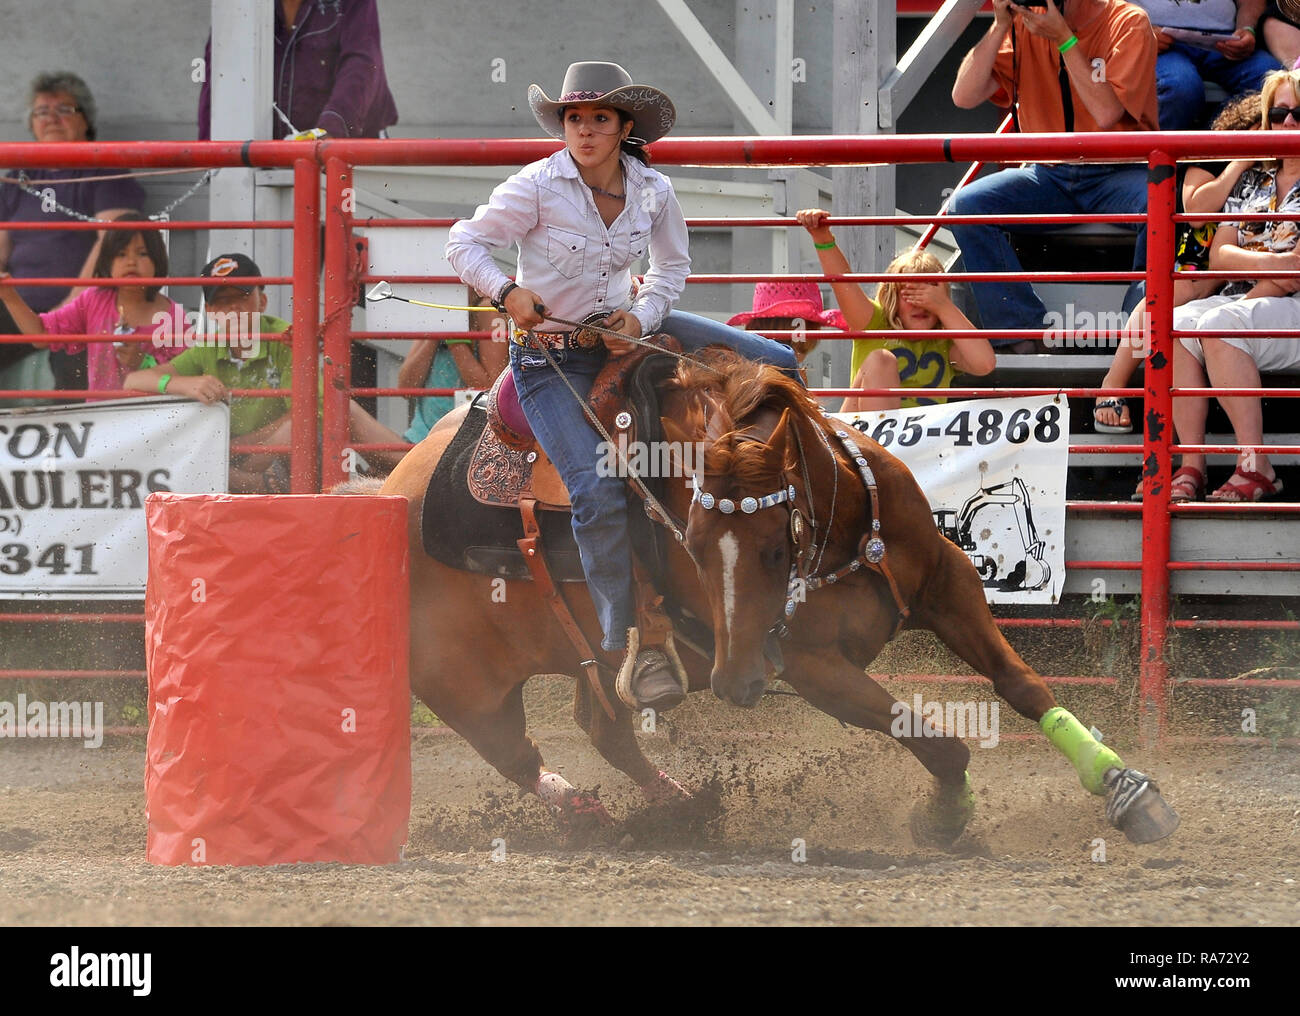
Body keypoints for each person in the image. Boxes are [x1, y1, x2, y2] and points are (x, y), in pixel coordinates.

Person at [445, 61, 798, 712]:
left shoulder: (653, 190)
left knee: (780, 364)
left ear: (623, 127)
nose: (583, 129)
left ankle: (791, 569)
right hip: (550, 357)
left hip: (630, 333)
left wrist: (639, 316)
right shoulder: (536, 187)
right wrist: (507, 290)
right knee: (596, 489)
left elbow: (671, 268)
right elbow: (464, 242)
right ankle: (624, 636)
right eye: (573, 118)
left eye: (598, 118)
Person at [949, 0, 1160, 342]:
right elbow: (963, 95)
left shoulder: (1129, 21)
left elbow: (1106, 113)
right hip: (1049, 175)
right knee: (967, 206)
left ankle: (1136, 336)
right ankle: (1021, 333)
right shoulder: (1024, 26)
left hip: (1118, 170)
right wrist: (1001, 24)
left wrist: (1064, 39)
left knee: (1160, 203)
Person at [122, 253, 406, 492]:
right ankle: (410, 465)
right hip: (235, 461)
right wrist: (185, 384)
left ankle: (413, 465)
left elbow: (310, 411)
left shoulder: (283, 338)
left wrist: (244, 444)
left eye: (242, 296)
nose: (233, 307)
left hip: (274, 453)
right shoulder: (209, 348)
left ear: (262, 302)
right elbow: (134, 380)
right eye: (222, 301)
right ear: (209, 311)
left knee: (335, 411)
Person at [1095, 92, 1264, 436]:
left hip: (1258, 260)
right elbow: (1199, 214)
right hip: (1203, 261)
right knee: (1173, 292)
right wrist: (1241, 162)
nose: (1279, 128)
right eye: (1269, 119)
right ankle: (1113, 384)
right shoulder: (1212, 156)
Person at [1167, 69, 1300, 502]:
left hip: (1291, 307)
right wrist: (1271, 266)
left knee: (1219, 322)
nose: (1288, 124)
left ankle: (1255, 463)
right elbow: (1220, 255)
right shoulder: (1252, 178)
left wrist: (1256, 283)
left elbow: (1293, 278)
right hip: (1249, 301)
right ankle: (1192, 464)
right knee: (1175, 322)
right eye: (1278, 114)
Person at [0, 71, 145, 392]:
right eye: (41, 111)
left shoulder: (105, 169)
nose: (51, 118)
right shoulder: (17, 177)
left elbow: (113, 239)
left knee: (76, 368)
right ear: (31, 124)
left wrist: (70, 303)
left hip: (82, 305)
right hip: (18, 304)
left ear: (85, 122)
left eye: (64, 109)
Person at [795, 210, 996, 413]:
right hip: (863, 436)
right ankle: (877, 444)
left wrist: (943, 306)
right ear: (892, 299)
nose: (920, 304)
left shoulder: (944, 342)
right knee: (881, 359)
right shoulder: (873, 322)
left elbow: (985, 364)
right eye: (910, 294)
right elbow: (843, 283)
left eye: (929, 296)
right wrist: (822, 238)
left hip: (919, 440)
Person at [0, 218, 184, 396]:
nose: (131, 261)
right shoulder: (94, 300)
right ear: (107, 262)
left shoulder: (173, 316)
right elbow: (40, 335)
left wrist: (144, 362)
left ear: (158, 260)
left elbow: (186, 374)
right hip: (99, 418)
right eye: (121, 254)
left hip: (154, 423)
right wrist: (9, 296)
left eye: (142, 253)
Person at [197, 0, 397, 139]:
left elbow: (361, 64)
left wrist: (330, 129)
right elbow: (218, 71)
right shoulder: (238, 7)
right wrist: (210, 146)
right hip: (269, 159)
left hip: (349, 150)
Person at [1131, 0, 1280, 129]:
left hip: (1226, 40)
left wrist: (1247, 29)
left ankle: (1210, 148)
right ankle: (1158, 159)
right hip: (1160, 41)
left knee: (1274, 81)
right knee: (1180, 87)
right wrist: (1138, 30)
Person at [398, 288, 508, 444]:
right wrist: (438, 329)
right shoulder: (435, 308)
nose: (453, 288)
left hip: (464, 445)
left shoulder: (486, 310)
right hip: (420, 440)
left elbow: (491, 388)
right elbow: (406, 388)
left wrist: (454, 340)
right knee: (351, 410)